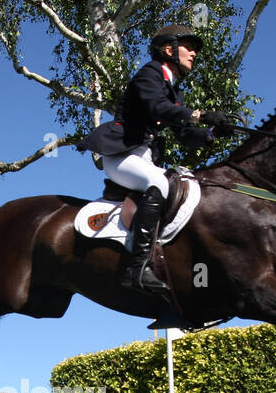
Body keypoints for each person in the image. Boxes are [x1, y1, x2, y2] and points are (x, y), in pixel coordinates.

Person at [78, 25, 235, 318]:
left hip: (144, 156)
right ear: (168, 50)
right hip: (121, 154)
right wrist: (198, 113)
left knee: (181, 185)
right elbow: (157, 107)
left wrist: (212, 133)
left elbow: (185, 134)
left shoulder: (175, 89)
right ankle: (138, 268)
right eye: (188, 46)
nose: (194, 53)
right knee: (160, 184)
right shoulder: (150, 74)